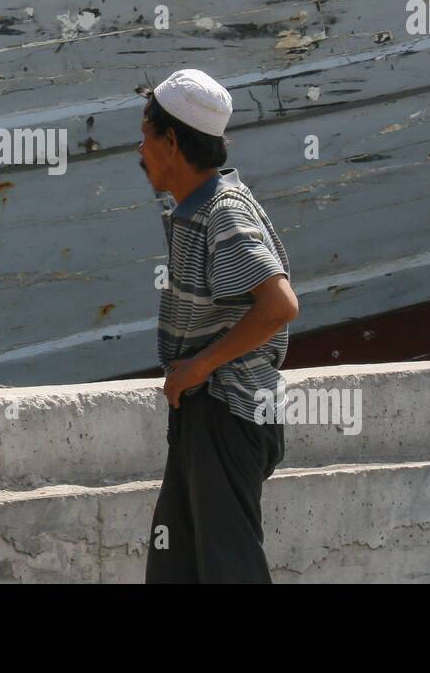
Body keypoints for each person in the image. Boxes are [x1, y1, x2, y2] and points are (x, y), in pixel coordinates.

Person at [138, 69, 299, 582]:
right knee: (176, 567)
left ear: (170, 140)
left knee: (231, 571)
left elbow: (278, 305)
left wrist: (200, 365)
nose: (138, 151)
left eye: (145, 136)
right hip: (205, 409)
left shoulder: (223, 211)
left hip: (228, 409)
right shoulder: (197, 209)